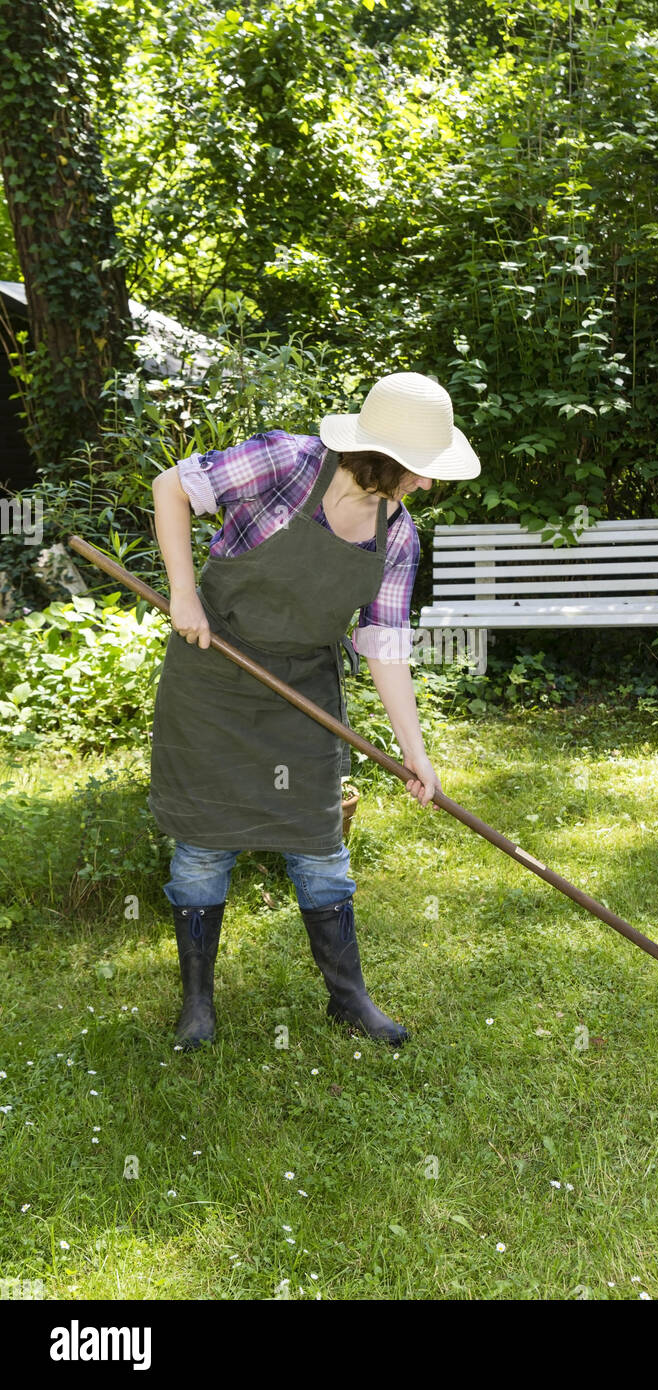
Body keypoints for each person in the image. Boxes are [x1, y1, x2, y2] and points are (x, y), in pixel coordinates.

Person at [148, 371, 481, 1051]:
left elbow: (385, 647)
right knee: (203, 846)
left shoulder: (399, 537)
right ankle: (197, 1005)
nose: (424, 485)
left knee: (320, 846)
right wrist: (183, 594)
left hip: (302, 690)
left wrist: (415, 751)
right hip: (215, 672)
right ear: (387, 461)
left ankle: (349, 999)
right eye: (420, 471)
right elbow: (171, 487)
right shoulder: (288, 462)